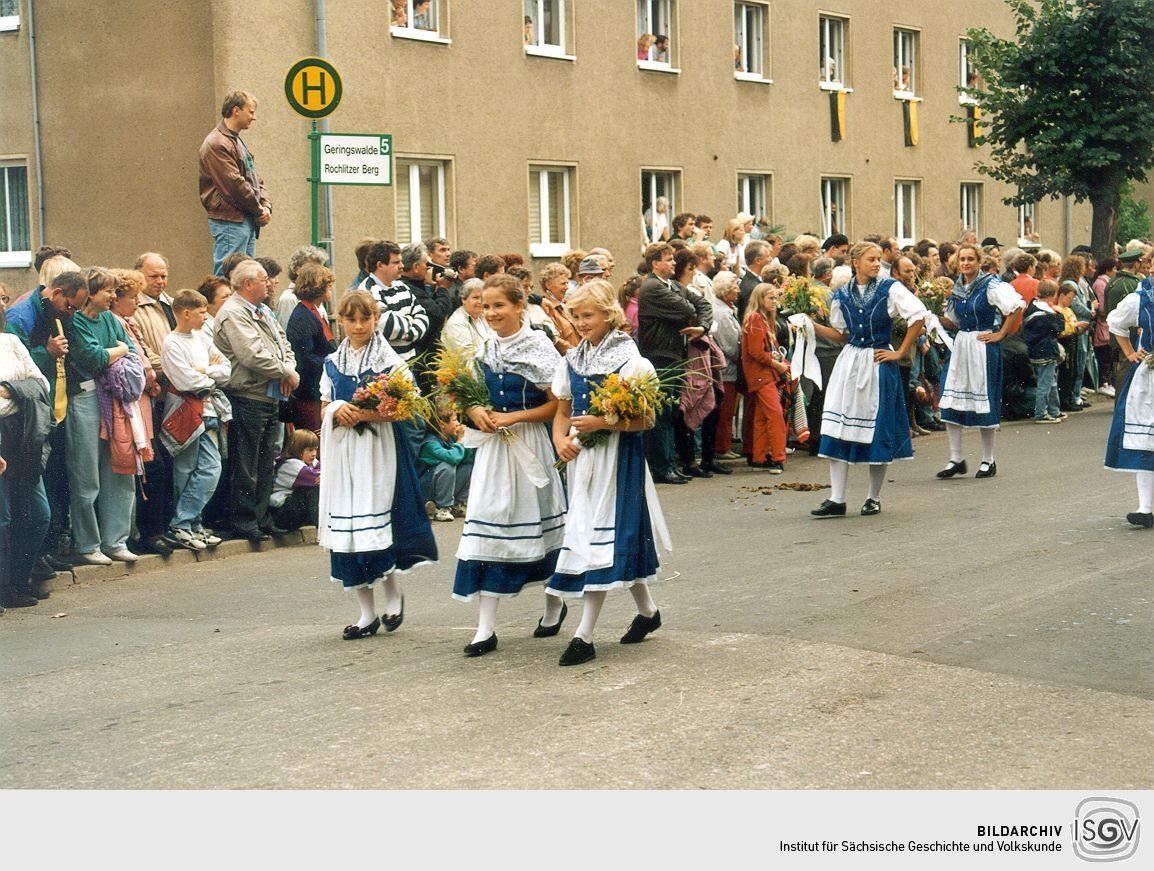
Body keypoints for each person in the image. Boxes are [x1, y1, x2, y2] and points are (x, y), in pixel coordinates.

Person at [549, 279, 672, 666]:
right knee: (597, 536)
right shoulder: (572, 360)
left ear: (608, 315)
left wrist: (603, 422)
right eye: (575, 316)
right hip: (582, 461)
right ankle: (648, 612)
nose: (581, 323)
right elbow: (562, 411)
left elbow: (647, 420)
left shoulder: (632, 361)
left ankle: (583, 635)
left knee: (599, 541)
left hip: (618, 461)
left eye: (588, 315)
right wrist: (559, 440)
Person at [452, 275, 567, 657]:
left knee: (539, 523)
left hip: (529, 443)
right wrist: (475, 410)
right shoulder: (485, 348)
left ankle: (554, 603)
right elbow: (467, 395)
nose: (491, 313)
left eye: (499, 305)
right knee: (487, 520)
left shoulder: (539, 346)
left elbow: (558, 404)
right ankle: (485, 628)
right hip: (494, 450)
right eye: (486, 306)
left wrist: (514, 417)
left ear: (519, 306)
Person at [318, 291, 437, 640]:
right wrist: (335, 409)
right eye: (351, 319)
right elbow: (323, 404)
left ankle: (393, 592)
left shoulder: (389, 360)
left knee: (376, 525)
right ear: (341, 321)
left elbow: (407, 407)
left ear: (376, 320)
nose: (358, 326)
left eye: (365, 319)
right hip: (345, 452)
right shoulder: (332, 362)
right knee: (349, 530)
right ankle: (366, 612)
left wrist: (367, 415)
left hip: (378, 450)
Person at [808, 242, 927, 518]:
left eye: (877, 259)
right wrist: (812, 326)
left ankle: (873, 497)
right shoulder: (841, 294)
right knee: (838, 426)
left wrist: (899, 351)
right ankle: (837, 498)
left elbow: (918, 315)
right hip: (850, 363)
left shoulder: (890, 288)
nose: (876, 264)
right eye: (871, 259)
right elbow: (842, 334)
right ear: (855, 262)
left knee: (877, 428)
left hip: (878, 362)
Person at [213, 259, 299, 542]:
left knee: (265, 461)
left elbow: (283, 343)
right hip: (246, 395)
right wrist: (285, 372)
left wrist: (288, 369)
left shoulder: (263, 310)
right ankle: (244, 520)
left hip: (269, 394)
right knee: (246, 463)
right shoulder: (233, 313)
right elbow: (251, 354)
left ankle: (262, 517)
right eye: (264, 279)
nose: (270, 283)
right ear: (248, 284)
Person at [64, 268, 142, 564]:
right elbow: (92, 357)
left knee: (119, 468)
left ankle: (115, 541)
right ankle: (88, 545)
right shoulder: (76, 321)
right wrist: (118, 350)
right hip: (85, 398)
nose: (113, 296)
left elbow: (131, 351)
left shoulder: (110, 318)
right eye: (108, 290)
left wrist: (115, 351)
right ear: (90, 293)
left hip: (114, 398)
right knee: (86, 474)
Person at [934, 243, 1024, 480]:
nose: (965, 263)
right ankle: (956, 458)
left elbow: (1016, 306)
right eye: (962, 259)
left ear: (979, 261)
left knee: (985, 400)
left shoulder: (990, 284)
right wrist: (932, 315)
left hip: (982, 345)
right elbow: (954, 321)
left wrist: (1001, 333)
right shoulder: (957, 287)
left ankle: (988, 459)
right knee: (949, 400)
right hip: (961, 346)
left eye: (970, 259)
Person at [159, 289, 231, 551]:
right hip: (185, 411)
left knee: (211, 468)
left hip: (208, 410)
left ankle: (188, 521)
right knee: (185, 470)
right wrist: (209, 376)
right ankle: (185, 525)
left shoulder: (202, 337)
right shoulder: (172, 343)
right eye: (201, 313)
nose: (206, 317)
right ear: (186, 313)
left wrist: (204, 371)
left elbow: (226, 369)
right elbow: (185, 381)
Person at [637, 243, 712, 485]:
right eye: (668, 259)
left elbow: (703, 305)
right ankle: (661, 467)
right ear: (655, 263)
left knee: (671, 411)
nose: (673, 263)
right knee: (661, 412)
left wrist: (702, 326)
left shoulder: (672, 286)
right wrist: (691, 312)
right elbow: (687, 308)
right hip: (658, 356)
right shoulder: (652, 287)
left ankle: (669, 465)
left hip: (675, 354)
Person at [0, 304, 52, 609]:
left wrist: (10, 389)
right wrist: (23, 392)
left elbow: (41, 384)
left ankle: (18, 582)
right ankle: (4, 588)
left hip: (23, 436)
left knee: (39, 514)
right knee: (3, 518)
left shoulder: (11, 342)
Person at [199, 90, 271, 275]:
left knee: (245, 276)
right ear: (236, 110)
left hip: (243, 219)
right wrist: (259, 210)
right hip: (231, 221)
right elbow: (234, 185)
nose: (254, 117)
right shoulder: (218, 143)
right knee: (227, 277)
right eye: (251, 112)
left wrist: (266, 206)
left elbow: (255, 179)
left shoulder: (235, 141)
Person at [1104, 275, 1153, 529]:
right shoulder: (1141, 300)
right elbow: (1116, 323)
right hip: (1149, 378)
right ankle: (1145, 508)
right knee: (1145, 441)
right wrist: (1130, 352)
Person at [742, 283, 790, 473]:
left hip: (762, 373)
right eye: (770, 298)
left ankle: (759, 457)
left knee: (762, 417)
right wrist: (777, 364)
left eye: (775, 298)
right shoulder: (755, 318)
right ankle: (778, 457)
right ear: (760, 299)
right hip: (761, 374)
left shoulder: (760, 318)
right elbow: (756, 352)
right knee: (775, 415)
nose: (774, 302)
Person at [284, 263, 336, 434]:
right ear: (317, 286)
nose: (330, 288)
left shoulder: (314, 311)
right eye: (328, 285)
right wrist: (332, 364)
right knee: (315, 436)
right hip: (309, 392)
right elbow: (306, 357)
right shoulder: (303, 316)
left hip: (317, 389)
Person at [358, 240, 429, 364]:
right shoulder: (367, 292)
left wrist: (409, 333)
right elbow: (387, 327)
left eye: (401, 261)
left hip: (409, 362)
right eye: (396, 262)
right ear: (380, 265)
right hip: (384, 366)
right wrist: (410, 319)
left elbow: (423, 316)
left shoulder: (402, 286)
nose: (402, 266)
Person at [707, 270, 741, 463]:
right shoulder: (722, 313)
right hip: (727, 369)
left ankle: (724, 444)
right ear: (726, 290)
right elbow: (731, 345)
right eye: (735, 286)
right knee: (725, 410)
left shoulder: (724, 309)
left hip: (726, 367)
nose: (738, 290)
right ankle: (722, 446)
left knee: (726, 409)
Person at [417, 402, 472, 522]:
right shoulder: (430, 444)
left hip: (444, 488)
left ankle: (458, 505)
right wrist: (460, 441)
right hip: (427, 488)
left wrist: (466, 440)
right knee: (448, 465)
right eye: (455, 420)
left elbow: (468, 458)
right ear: (442, 424)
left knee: (468, 466)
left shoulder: (450, 438)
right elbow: (453, 458)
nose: (458, 424)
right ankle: (442, 508)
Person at [1021, 279, 1066, 424]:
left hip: (1034, 349)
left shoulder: (1032, 307)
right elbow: (1059, 329)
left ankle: (1054, 410)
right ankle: (1041, 413)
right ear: (1053, 295)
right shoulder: (1048, 314)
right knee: (1046, 383)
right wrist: (1059, 314)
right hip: (1047, 351)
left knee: (1050, 381)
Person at [270, 428, 320, 532]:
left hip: (291, 509)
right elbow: (315, 478)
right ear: (298, 449)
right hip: (281, 512)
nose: (314, 453)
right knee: (314, 488)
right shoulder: (291, 464)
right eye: (310, 450)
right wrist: (324, 477)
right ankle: (319, 526)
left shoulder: (310, 461)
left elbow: (323, 471)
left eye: (316, 449)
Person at [274, 245, 329, 330]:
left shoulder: (315, 298)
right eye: (312, 268)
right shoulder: (289, 299)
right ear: (297, 270)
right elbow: (286, 333)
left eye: (319, 268)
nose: (318, 272)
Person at [441, 278, 491, 358]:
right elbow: (468, 357)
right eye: (476, 297)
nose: (480, 301)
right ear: (463, 299)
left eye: (482, 297)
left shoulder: (483, 316)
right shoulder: (456, 323)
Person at [1092, 258, 1118, 397]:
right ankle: (1104, 383)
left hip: (1107, 323)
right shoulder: (1101, 284)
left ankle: (1107, 382)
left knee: (1108, 355)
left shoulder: (1106, 282)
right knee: (1104, 356)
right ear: (1108, 270)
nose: (1116, 271)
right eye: (1114, 269)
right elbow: (1102, 306)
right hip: (1103, 324)